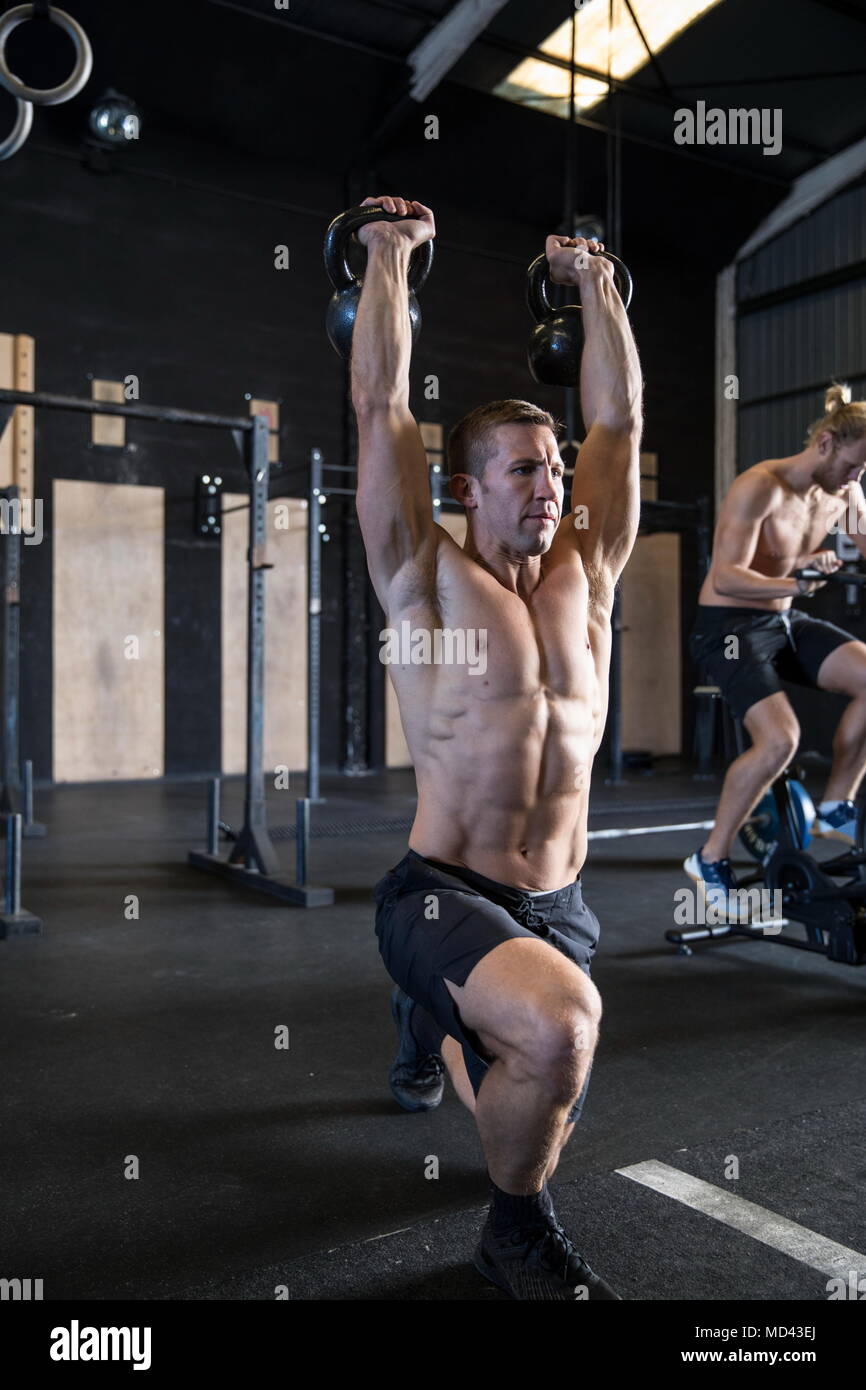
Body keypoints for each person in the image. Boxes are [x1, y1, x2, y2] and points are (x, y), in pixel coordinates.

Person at [350, 194, 642, 1299]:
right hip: (438, 887)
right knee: (560, 1033)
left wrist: (595, 286)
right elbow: (379, 400)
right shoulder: (422, 576)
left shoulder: (590, 569)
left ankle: (432, 1017)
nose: (551, 481)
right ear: (464, 489)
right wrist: (387, 256)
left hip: (557, 901)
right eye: (522, 468)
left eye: (552, 466)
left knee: (531, 1084)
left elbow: (617, 420)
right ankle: (512, 1236)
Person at [685, 384, 866, 919]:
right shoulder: (760, 486)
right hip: (729, 625)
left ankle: (834, 807)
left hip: (785, 616)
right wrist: (798, 577)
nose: (856, 479)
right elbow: (725, 576)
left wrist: (797, 584)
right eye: (854, 466)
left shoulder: (846, 490)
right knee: (779, 741)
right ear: (827, 443)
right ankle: (710, 858)